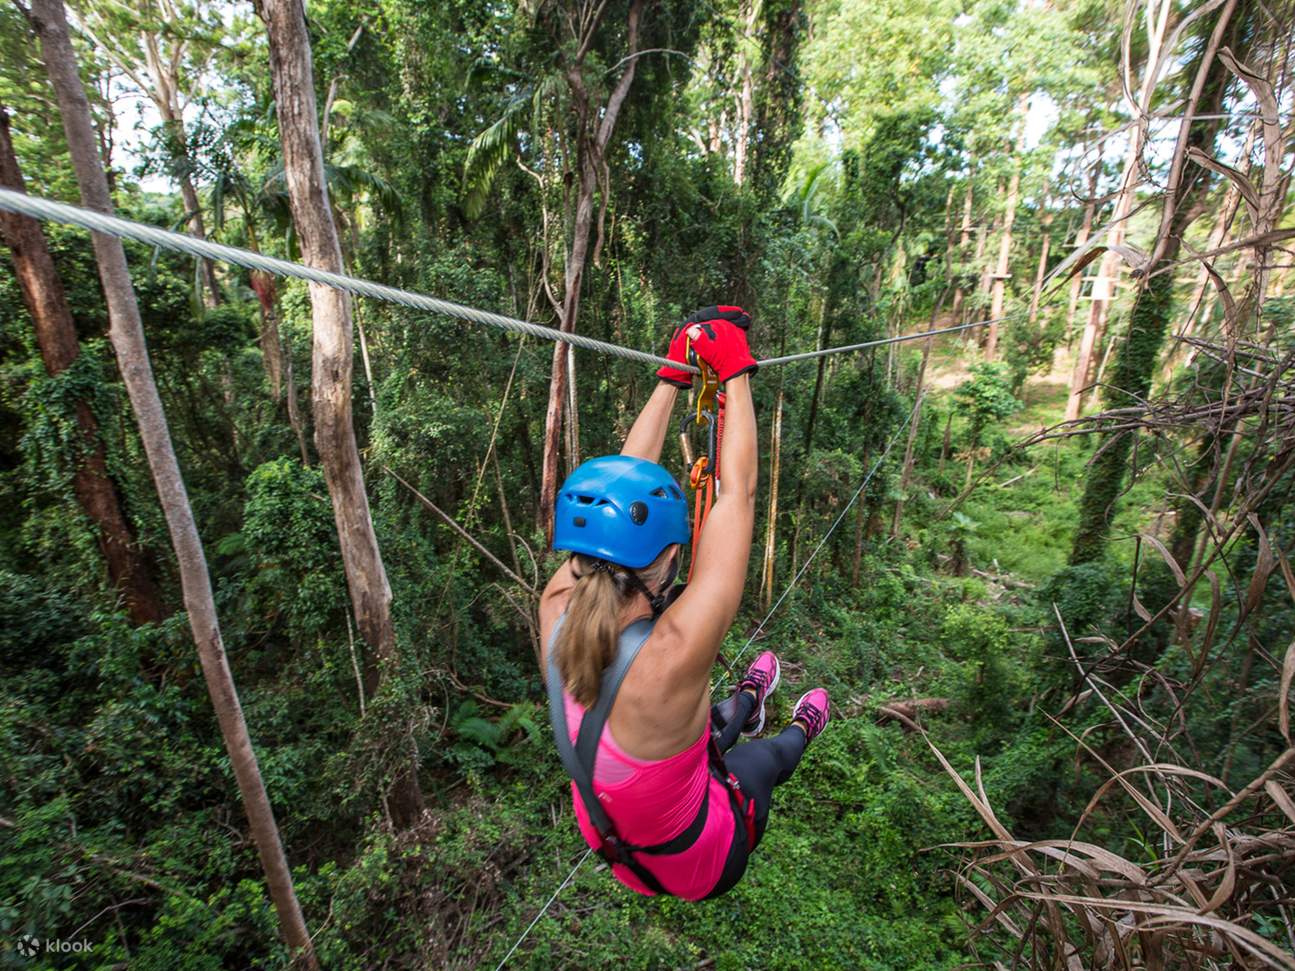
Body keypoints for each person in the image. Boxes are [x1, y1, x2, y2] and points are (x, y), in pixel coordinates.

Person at [539, 305, 832, 901]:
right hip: (698, 857)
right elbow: (737, 496)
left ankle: (748, 700)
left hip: (612, 840)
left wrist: (674, 376)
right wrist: (735, 372)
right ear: (672, 558)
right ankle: (799, 723)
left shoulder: (555, 602)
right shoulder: (670, 657)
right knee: (764, 761)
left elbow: (629, 478)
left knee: (711, 734)